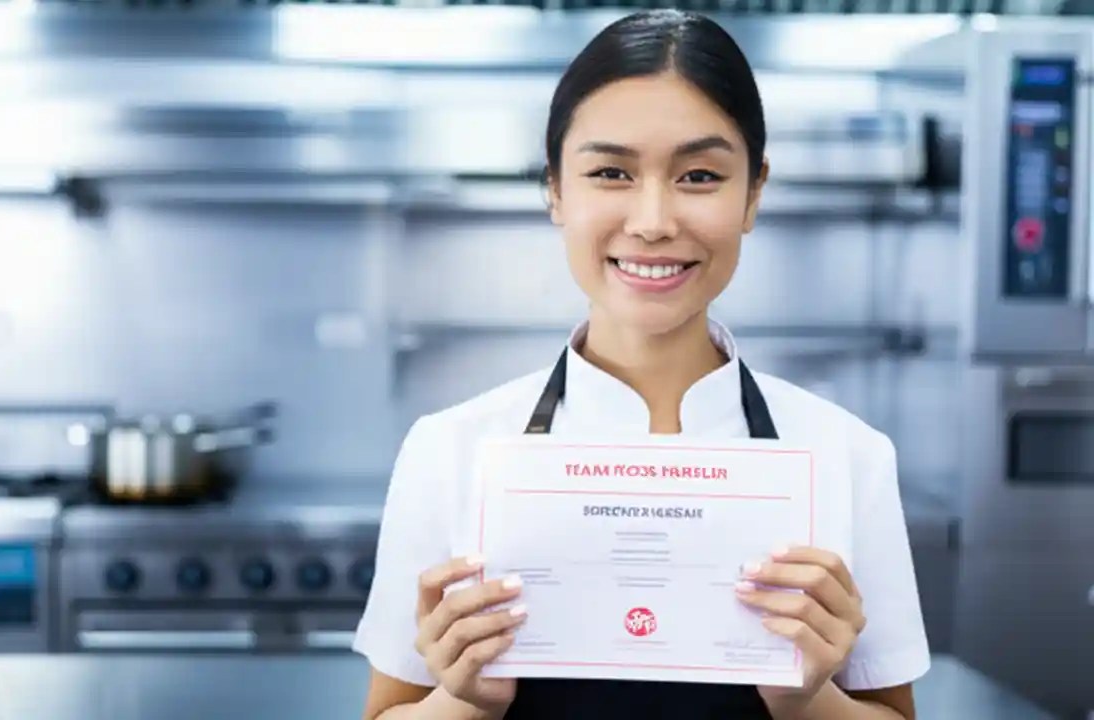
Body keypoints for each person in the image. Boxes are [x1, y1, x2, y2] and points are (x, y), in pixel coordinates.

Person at [352, 9, 930, 720]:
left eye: (698, 175)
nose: (653, 220)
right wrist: (466, 699)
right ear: (555, 191)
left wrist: (807, 701)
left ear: (753, 193)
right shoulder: (450, 450)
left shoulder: (848, 456)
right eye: (610, 172)